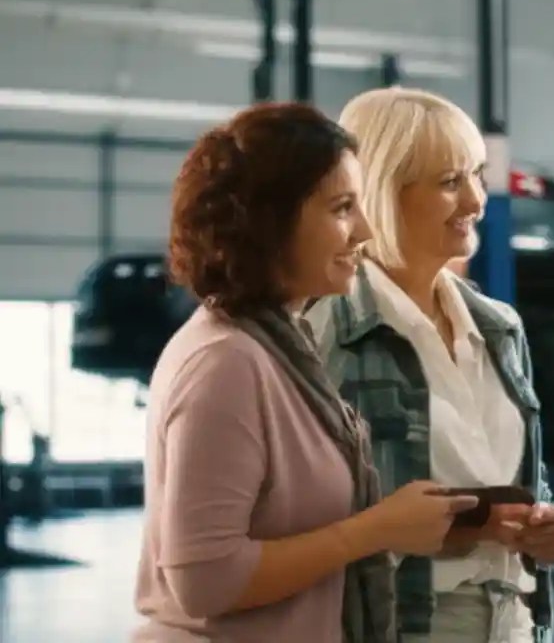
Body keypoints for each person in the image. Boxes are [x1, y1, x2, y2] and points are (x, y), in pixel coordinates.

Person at [133, 102, 480, 643]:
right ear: (268, 223)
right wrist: (373, 530)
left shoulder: (281, 349)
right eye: (342, 208)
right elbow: (204, 580)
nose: (364, 231)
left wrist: (411, 529)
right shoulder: (225, 362)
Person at [306, 87, 554, 643]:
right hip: (406, 625)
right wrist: (457, 531)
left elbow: (518, 476)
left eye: (477, 175)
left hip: (514, 621)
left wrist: (542, 525)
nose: (477, 200)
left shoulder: (499, 327)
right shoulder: (325, 330)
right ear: (383, 191)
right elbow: (299, 520)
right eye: (452, 182)